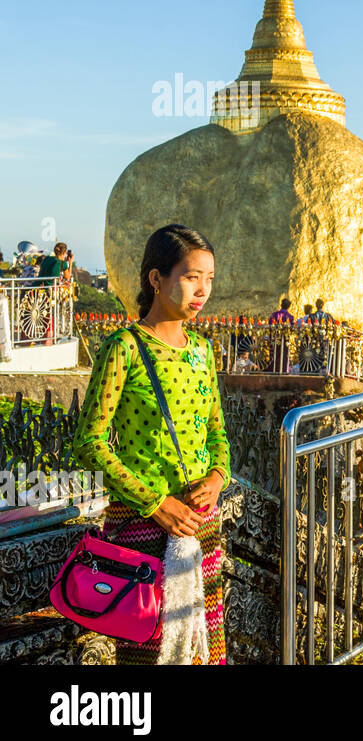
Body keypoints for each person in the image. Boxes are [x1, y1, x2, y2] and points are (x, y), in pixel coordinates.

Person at [71, 224, 230, 664]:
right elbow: (89, 442)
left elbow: (217, 432)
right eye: (191, 276)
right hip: (142, 530)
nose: (202, 290)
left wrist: (218, 477)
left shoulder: (202, 351)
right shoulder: (123, 348)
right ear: (156, 279)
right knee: (145, 649)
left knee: (202, 646)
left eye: (209, 279)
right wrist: (155, 502)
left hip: (201, 527)